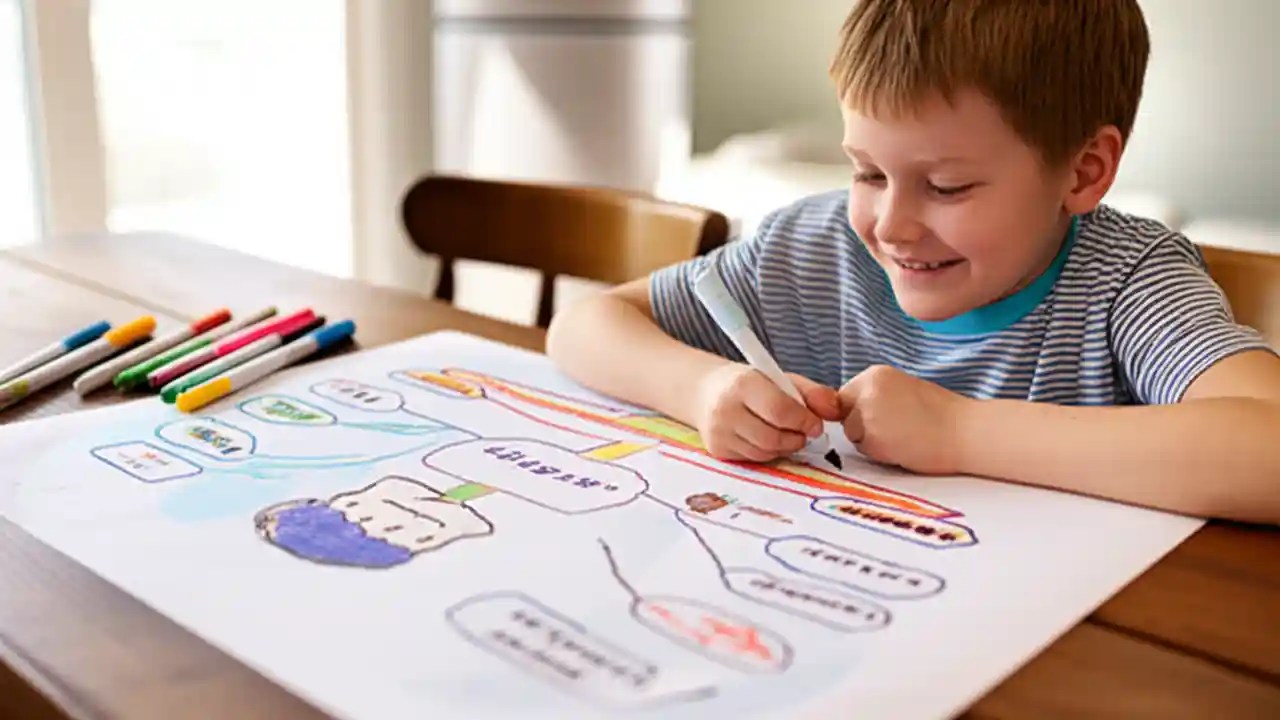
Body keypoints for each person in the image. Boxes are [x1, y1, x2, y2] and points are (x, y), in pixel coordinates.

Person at [547, 0, 1280, 524]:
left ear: (1083, 172)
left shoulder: (1128, 279)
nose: (891, 225)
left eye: (947, 186)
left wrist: (960, 431)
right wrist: (701, 389)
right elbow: (583, 324)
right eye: (867, 173)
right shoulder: (817, 251)